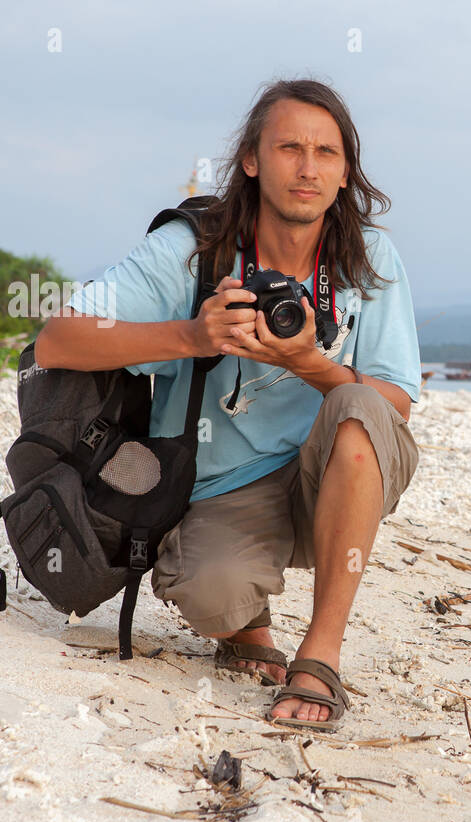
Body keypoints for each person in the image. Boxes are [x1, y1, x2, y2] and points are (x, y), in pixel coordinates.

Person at [34, 78, 421, 731]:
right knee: (210, 593)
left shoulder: (369, 257)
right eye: (289, 147)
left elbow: (393, 408)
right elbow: (57, 339)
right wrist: (193, 335)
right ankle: (246, 624)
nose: (307, 167)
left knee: (357, 407)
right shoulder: (193, 251)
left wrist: (307, 361)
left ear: (346, 170)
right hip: (225, 488)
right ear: (251, 158)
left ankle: (319, 655)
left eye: (326, 153)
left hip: (333, 474)